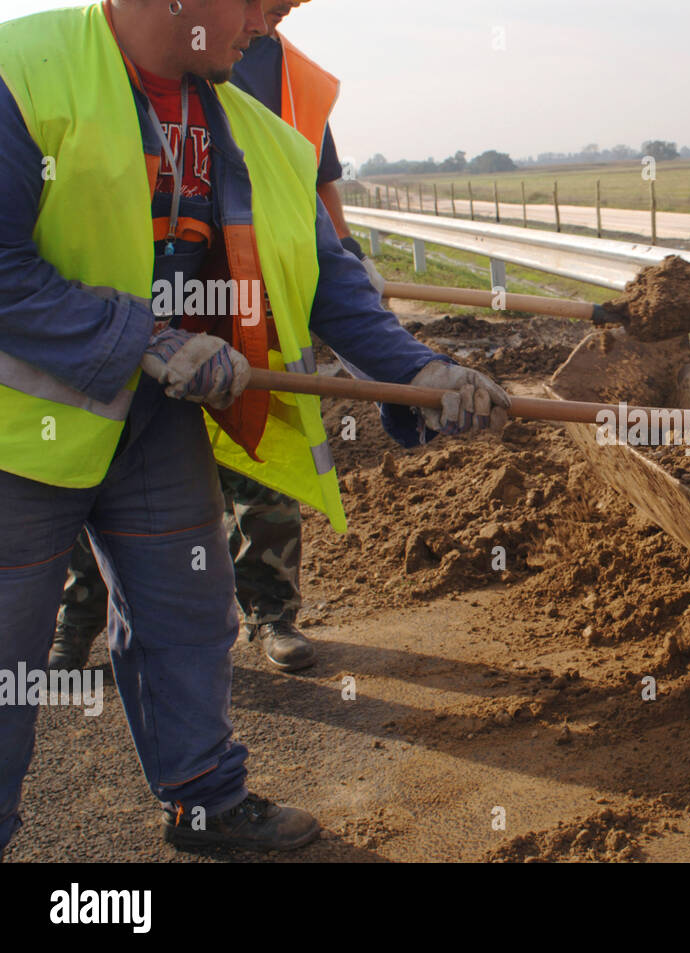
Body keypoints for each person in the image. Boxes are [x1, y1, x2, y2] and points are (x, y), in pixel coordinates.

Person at [0, 0, 508, 854]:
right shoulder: (24, 74)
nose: (269, 25)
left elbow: (325, 276)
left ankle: (205, 799)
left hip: (152, 416)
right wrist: (148, 340)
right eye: (260, 1)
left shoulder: (247, 129)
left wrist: (416, 368)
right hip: (21, 431)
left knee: (188, 612)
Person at [48, 0, 373, 674]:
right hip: (143, 286)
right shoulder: (143, 47)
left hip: (250, 291)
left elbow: (316, 180)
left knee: (260, 453)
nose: (268, 19)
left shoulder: (293, 76)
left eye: (283, 10)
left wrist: (342, 265)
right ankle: (77, 622)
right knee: (98, 455)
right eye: (265, 4)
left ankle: (270, 613)